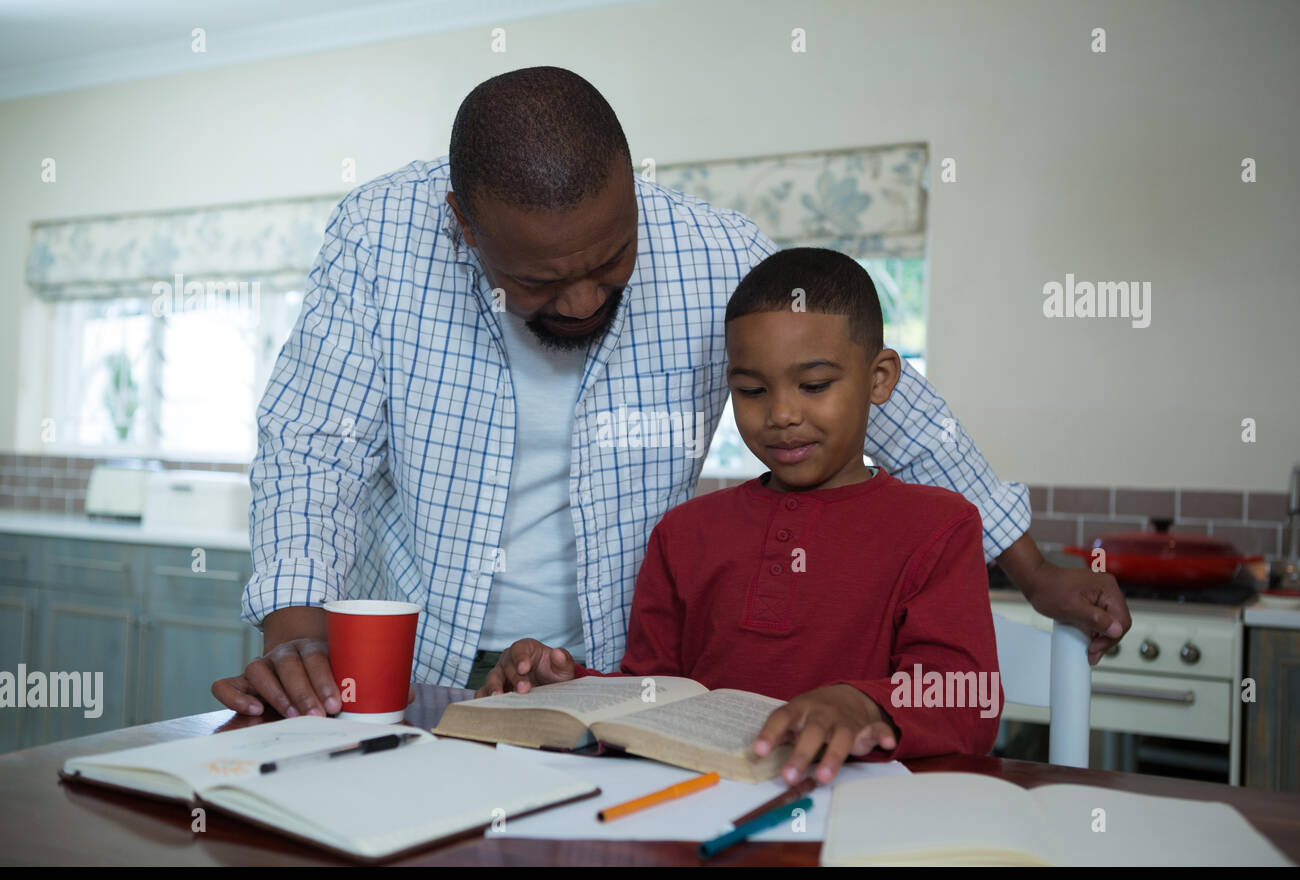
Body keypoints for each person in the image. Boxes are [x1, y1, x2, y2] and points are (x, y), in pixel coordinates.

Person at [213, 66, 1129, 720]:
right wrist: (298, 636)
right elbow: (312, 446)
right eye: (538, 282)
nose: (580, 302)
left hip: (608, 685)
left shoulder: (717, 251)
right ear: (463, 227)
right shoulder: (382, 236)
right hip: (402, 669)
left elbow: (892, 403)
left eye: (610, 262)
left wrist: (1035, 568)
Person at [477, 248, 1002, 784]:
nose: (782, 414)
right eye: (751, 390)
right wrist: (566, 688)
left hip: (858, 818)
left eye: (814, 385)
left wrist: (861, 705)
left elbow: (969, 702)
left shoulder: (939, 525)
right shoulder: (684, 532)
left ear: (880, 378)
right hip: (693, 807)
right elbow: (650, 695)